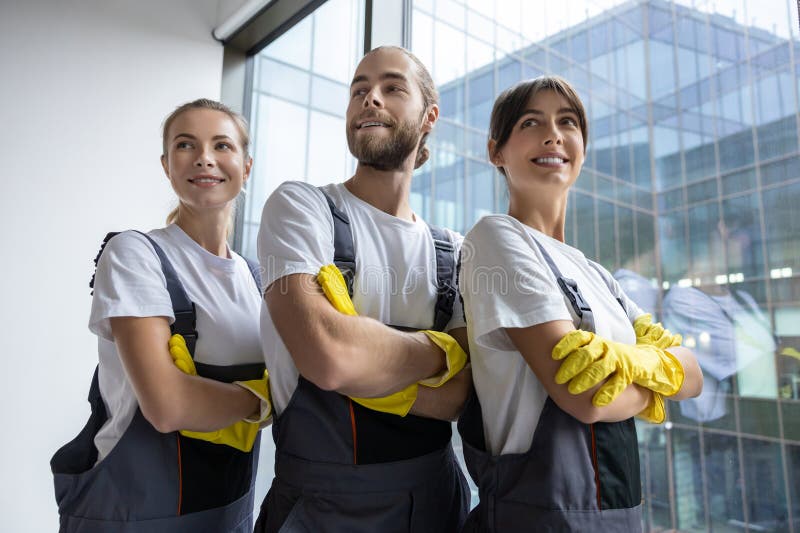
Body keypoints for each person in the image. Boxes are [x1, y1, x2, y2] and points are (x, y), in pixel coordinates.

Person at [457, 77, 702, 531]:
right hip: (536, 517)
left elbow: (693, 374)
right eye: (531, 122)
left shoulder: (598, 275)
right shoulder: (495, 238)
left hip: (624, 516)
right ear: (497, 152)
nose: (553, 134)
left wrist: (627, 363)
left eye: (567, 122)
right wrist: (655, 370)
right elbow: (583, 397)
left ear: (582, 148)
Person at [254, 46, 471, 532]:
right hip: (320, 510)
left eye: (392, 87)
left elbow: (464, 396)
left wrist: (362, 363)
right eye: (359, 90)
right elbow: (329, 355)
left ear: (429, 116)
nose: (369, 98)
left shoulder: (453, 251)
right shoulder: (301, 209)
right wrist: (442, 353)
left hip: (435, 508)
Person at [51, 99, 271, 532]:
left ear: (246, 167)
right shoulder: (136, 254)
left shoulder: (258, 278)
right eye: (186, 144)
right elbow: (168, 406)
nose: (204, 157)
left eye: (221, 145)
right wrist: (264, 400)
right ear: (167, 165)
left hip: (228, 513)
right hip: (129, 512)